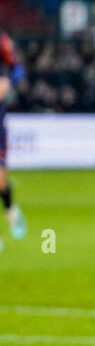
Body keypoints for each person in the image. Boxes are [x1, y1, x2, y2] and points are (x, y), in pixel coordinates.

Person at [0, 31, 28, 249]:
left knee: (0, 180)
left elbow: (18, 69)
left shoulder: (2, 41)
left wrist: (7, 81)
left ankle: (10, 210)